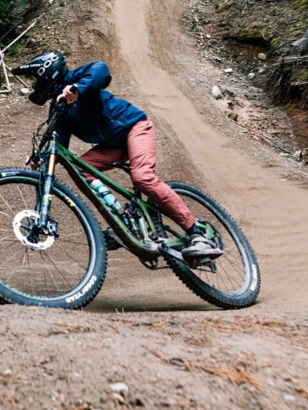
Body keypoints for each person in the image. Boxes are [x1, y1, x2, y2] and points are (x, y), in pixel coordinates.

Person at [14, 51, 221, 262]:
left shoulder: (75, 79)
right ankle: (123, 221)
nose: (34, 85)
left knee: (142, 177)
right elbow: (58, 141)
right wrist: (42, 157)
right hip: (113, 145)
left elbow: (101, 70)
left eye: (34, 79)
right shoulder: (58, 106)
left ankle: (197, 234)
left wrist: (77, 88)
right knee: (79, 168)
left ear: (46, 72)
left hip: (135, 127)